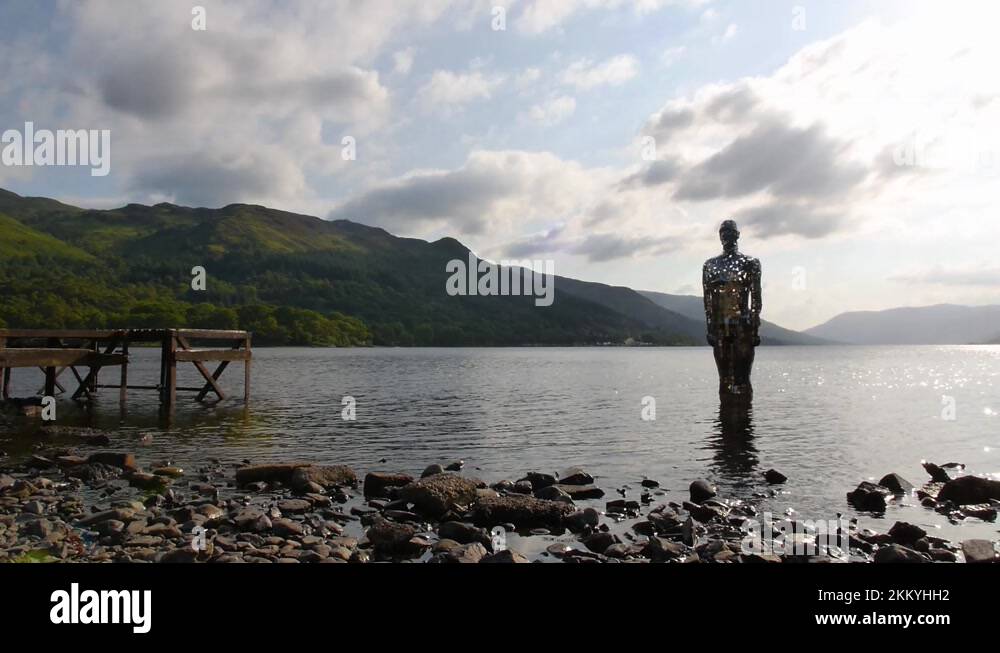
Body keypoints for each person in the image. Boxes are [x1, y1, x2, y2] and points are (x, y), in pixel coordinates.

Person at [702, 219, 761, 397]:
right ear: (719, 237)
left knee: (743, 378)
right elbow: (708, 301)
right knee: (725, 379)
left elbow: (756, 299)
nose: (726, 236)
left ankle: (744, 421)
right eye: (723, 232)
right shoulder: (710, 266)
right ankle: (726, 420)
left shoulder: (750, 263)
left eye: (730, 232)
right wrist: (710, 328)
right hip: (721, 327)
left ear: (737, 235)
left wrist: (755, 329)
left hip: (743, 326)